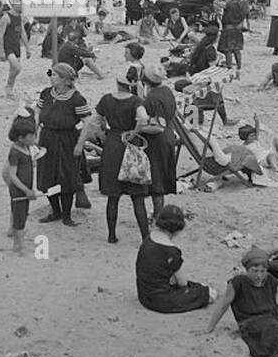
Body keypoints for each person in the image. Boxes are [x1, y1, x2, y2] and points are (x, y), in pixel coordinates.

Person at [202, 246, 278, 357]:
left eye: (263, 271)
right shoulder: (238, 282)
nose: (259, 275)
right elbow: (223, 305)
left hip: (271, 320)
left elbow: (274, 305)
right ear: (247, 270)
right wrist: (209, 328)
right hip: (250, 323)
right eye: (255, 271)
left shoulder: (270, 280)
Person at [84, 68, 154, 243]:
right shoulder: (136, 101)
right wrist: (134, 132)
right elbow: (143, 119)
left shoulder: (106, 100)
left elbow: (95, 121)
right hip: (130, 144)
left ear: (117, 82)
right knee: (137, 197)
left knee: (113, 196)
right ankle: (145, 236)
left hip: (113, 145)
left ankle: (112, 235)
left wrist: (101, 135)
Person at [34, 63, 91, 227]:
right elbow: (38, 113)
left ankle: (67, 215)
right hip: (47, 138)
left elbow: (87, 122)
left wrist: (80, 144)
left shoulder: (76, 99)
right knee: (47, 175)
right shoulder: (46, 93)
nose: (51, 77)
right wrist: (35, 135)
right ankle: (55, 211)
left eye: (54, 75)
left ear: (65, 80)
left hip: (67, 140)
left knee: (67, 177)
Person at [134, 205, 215, 313]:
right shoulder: (171, 251)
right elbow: (182, 283)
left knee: (195, 287)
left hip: (144, 295)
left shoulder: (148, 239)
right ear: (178, 229)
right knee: (205, 293)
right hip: (161, 300)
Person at [139, 65, 178, 219]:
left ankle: (158, 214)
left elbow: (158, 127)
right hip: (168, 136)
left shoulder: (153, 99)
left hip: (158, 141)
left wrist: (138, 130)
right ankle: (158, 213)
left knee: (156, 180)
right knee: (160, 176)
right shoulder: (167, 91)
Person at [2, 117, 44, 254]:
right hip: (19, 189)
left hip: (25, 188)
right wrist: (26, 190)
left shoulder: (25, 148)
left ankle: (18, 239)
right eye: (31, 136)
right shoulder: (15, 152)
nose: (34, 139)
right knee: (19, 216)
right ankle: (17, 244)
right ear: (21, 138)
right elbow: (13, 175)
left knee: (22, 213)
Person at [220, 0, 249, 70]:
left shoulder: (228, 4)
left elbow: (215, 2)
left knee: (228, 49)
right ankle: (239, 66)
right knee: (237, 49)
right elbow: (245, 14)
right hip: (238, 29)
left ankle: (229, 66)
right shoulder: (241, 4)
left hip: (229, 28)